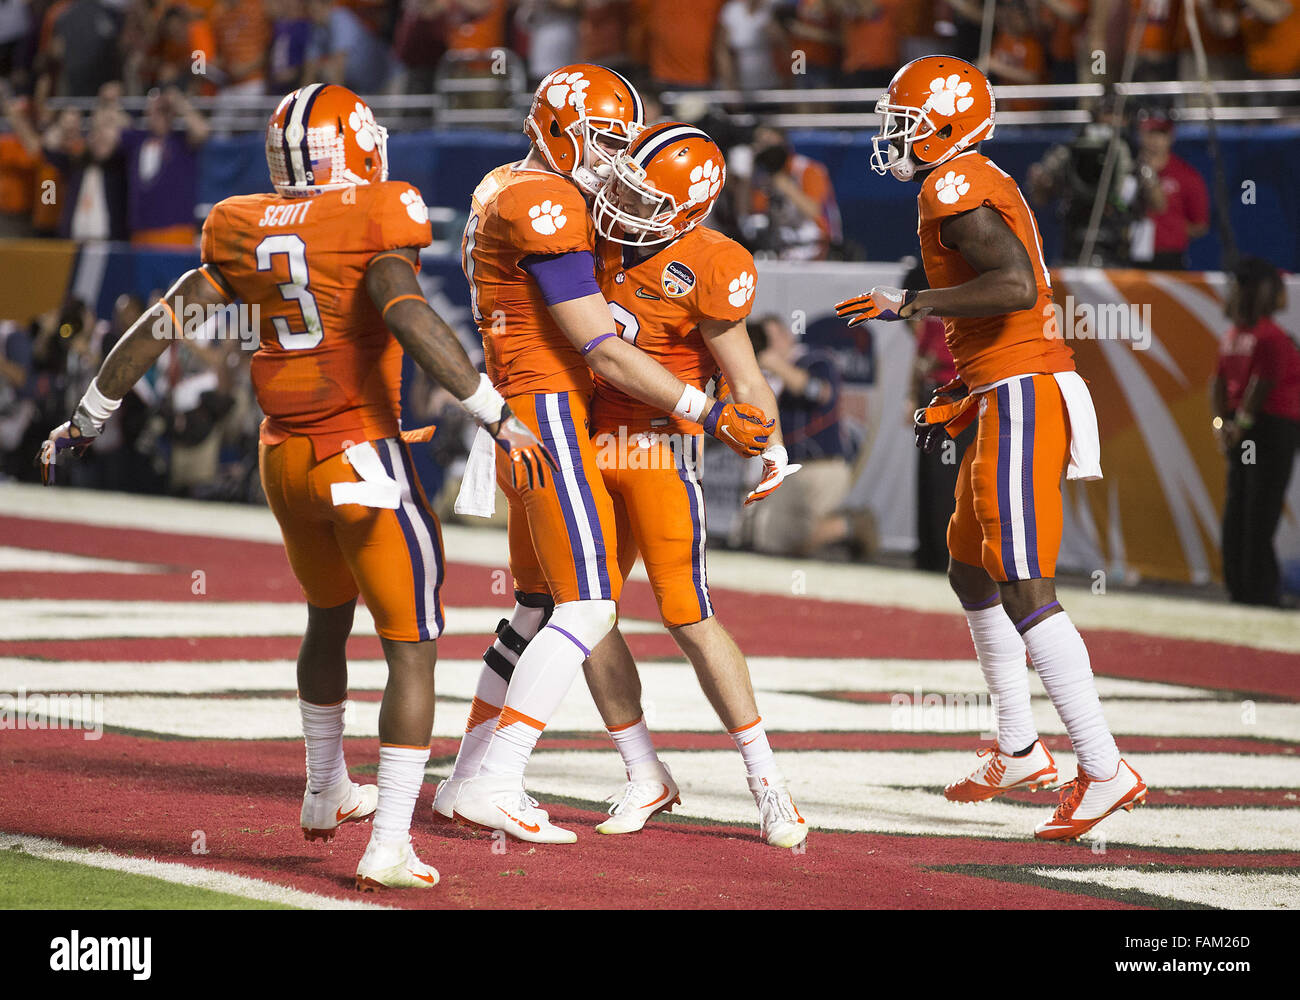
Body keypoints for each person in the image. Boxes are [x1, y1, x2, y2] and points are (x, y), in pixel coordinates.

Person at [37, 83, 558, 892]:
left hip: (284, 460)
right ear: (352, 148)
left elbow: (164, 321)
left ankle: (324, 787)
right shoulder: (377, 214)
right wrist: (496, 414)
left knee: (326, 615)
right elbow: (409, 314)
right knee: (411, 648)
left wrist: (88, 414)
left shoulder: (241, 223)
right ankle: (386, 840)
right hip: (362, 457)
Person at [435, 64, 774, 844]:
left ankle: (462, 778)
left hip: (519, 407)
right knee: (587, 606)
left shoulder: (498, 185)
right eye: (602, 140)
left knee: (532, 606)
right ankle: (501, 776)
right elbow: (605, 351)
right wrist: (705, 408)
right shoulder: (547, 202)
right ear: (555, 127)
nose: (612, 160)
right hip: (549, 407)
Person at [837, 55, 1146, 841]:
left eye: (904, 123)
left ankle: (1104, 767)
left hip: (1023, 389)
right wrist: (962, 386)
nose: (895, 138)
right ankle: (1018, 747)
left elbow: (1016, 287)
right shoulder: (961, 178)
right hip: (1001, 386)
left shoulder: (953, 183)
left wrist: (910, 300)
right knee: (968, 561)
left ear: (945, 123)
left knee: (1023, 581)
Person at [579, 121, 806, 847]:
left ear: (690, 209)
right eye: (624, 185)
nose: (618, 202)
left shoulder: (710, 261)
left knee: (686, 615)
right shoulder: (588, 231)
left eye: (643, 195)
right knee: (585, 616)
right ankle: (644, 773)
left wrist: (769, 441)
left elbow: (746, 380)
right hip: (585, 443)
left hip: (657, 449)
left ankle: (768, 783)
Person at [1212, 256, 1300, 607]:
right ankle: (1261, 592)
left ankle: (1240, 586)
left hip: (1242, 428)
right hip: (1271, 428)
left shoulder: (1233, 336)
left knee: (1240, 506)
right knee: (1260, 513)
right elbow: (1262, 385)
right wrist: (1242, 425)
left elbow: (1217, 385)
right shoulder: (1272, 336)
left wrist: (1223, 427)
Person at [750, 312, 859, 558]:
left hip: (822, 465)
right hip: (788, 468)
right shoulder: (766, 377)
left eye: (770, 337)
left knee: (807, 538)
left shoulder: (815, 358)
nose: (766, 346)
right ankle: (846, 528)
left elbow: (820, 393)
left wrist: (776, 364)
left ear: (786, 335)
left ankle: (854, 526)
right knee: (771, 540)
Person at [734, 124, 841, 260]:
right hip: (780, 244)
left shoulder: (808, 169)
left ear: (783, 143)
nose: (765, 148)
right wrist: (744, 179)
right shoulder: (759, 175)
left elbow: (814, 211)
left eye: (769, 142)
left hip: (816, 243)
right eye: (760, 143)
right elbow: (748, 213)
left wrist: (783, 182)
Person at [1129, 114, 1209, 270]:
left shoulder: (1186, 175)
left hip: (1168, 256)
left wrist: (1172, 230)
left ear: (1171, 137)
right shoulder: (1127, 170)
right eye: (1149, 133)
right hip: (1130, 253)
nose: (1154, 140)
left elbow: (1200, 224)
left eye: (1161, 134)